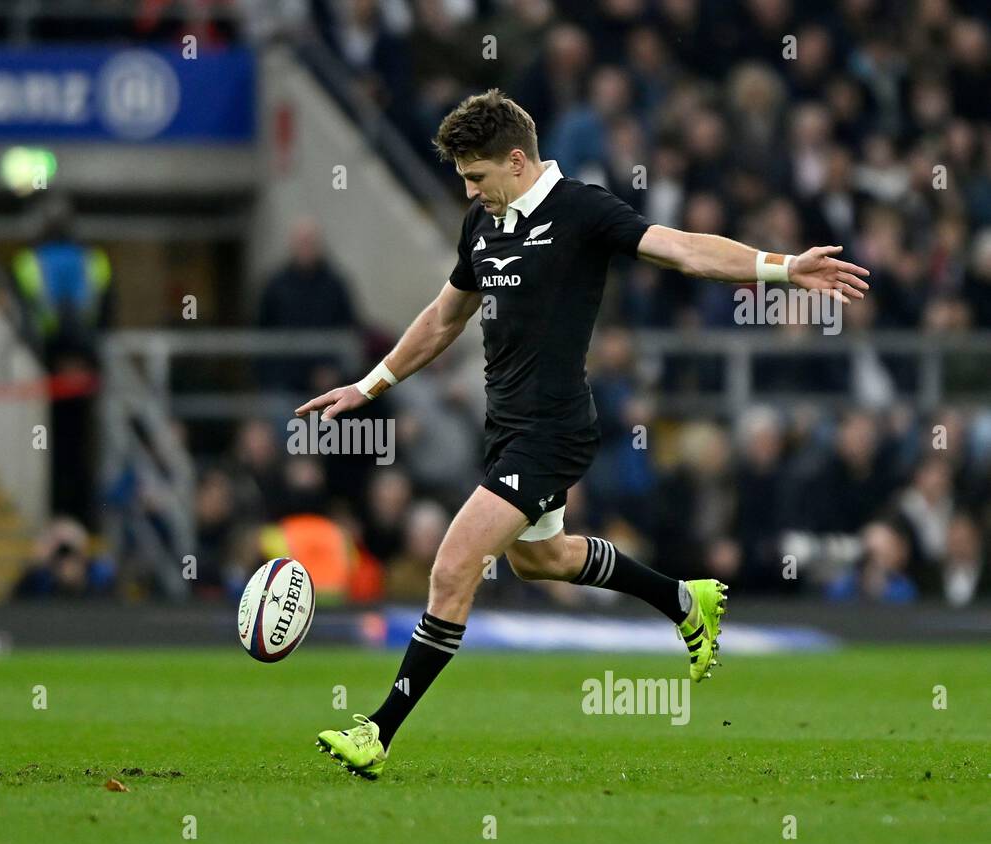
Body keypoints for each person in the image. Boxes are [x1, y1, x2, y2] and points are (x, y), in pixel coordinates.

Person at [300, 90, 871, 778]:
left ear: (516, 160)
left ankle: (377, 732)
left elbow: (683, 249)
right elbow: (445, 316)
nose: (472, 192)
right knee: (542, 561)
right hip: (506, 425)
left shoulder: (580, 209)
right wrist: (370, 385)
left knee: (453, 566)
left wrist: (783, 267)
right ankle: (685, 599)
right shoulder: (483, 224)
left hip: (553, 428)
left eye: (477, 177)